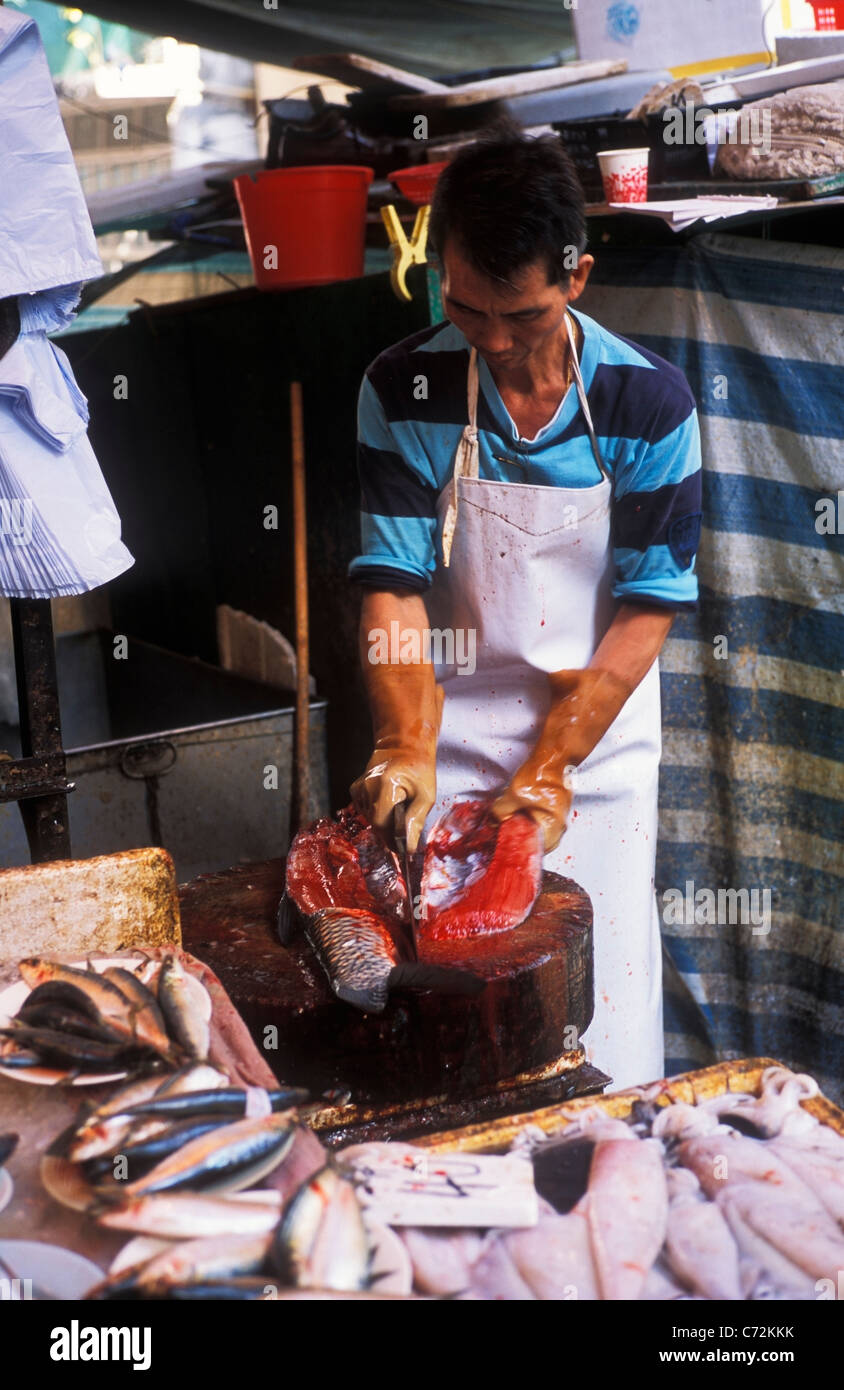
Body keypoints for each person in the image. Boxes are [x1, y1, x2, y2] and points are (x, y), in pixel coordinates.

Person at [349, 133, 702, 1090]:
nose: (495, 340)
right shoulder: (400, 386)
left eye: (524, 314)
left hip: (597, 746)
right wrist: (402, 743)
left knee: (603, 1007)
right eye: (466, 308)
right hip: (450, 731)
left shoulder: (650, 404)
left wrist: (552, 766)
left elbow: (648, 604)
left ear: (577, 277)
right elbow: (393, 580)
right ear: (437, 268)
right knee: (458, 1030)